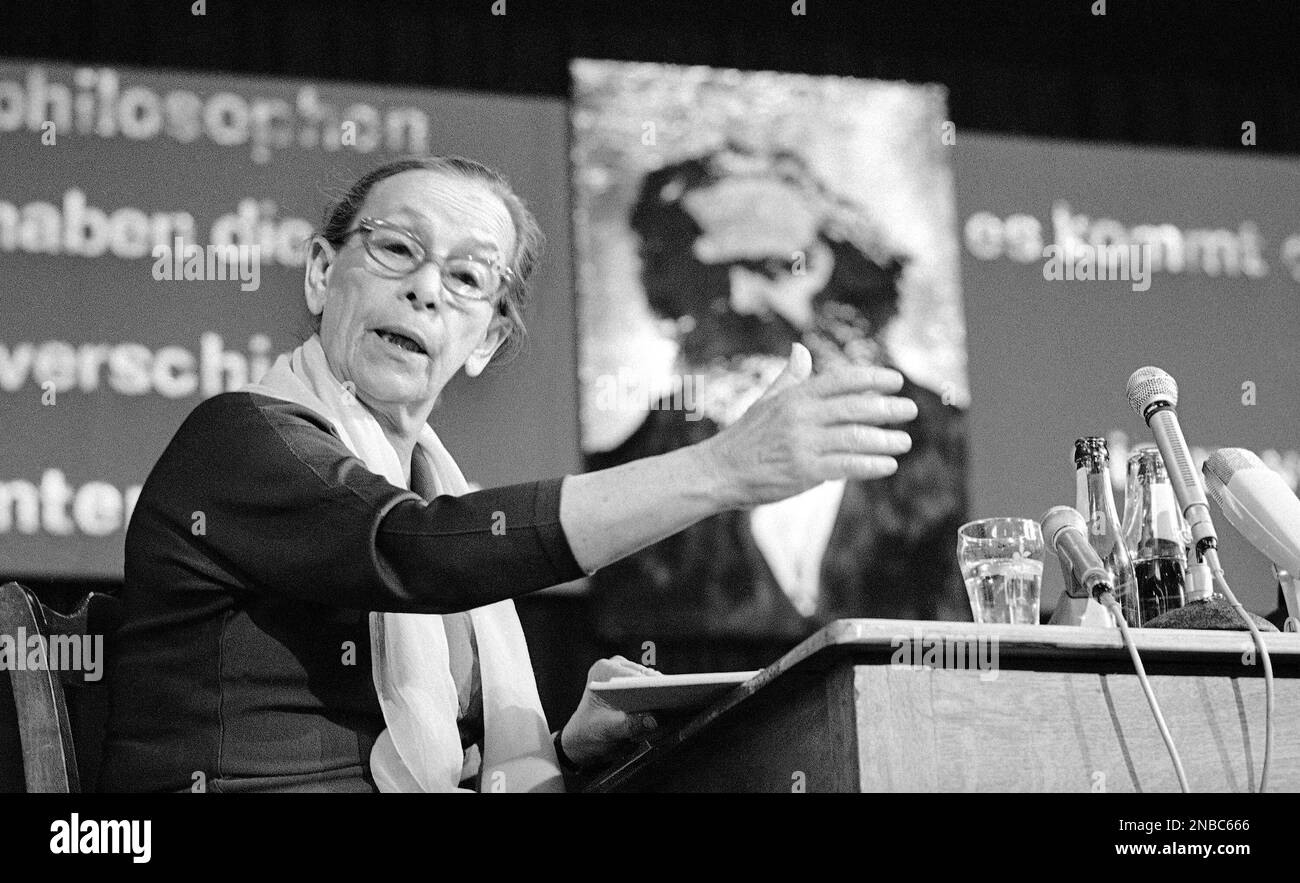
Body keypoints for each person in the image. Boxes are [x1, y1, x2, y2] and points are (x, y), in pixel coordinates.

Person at [99, 155, 919, 792]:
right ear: (321, 273)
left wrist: (560, 747)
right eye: (396, 249)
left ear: (487, 341)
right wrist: (723, 468)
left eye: (465, 278)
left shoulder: (426, 478)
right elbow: (414, 553)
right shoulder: (238, 437)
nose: (425, 288)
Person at [586, 146, 971, 673]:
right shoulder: (621, 486)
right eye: (708, 275)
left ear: (848, 267)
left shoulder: (954, 449)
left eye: (777, 266)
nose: (743, 302)